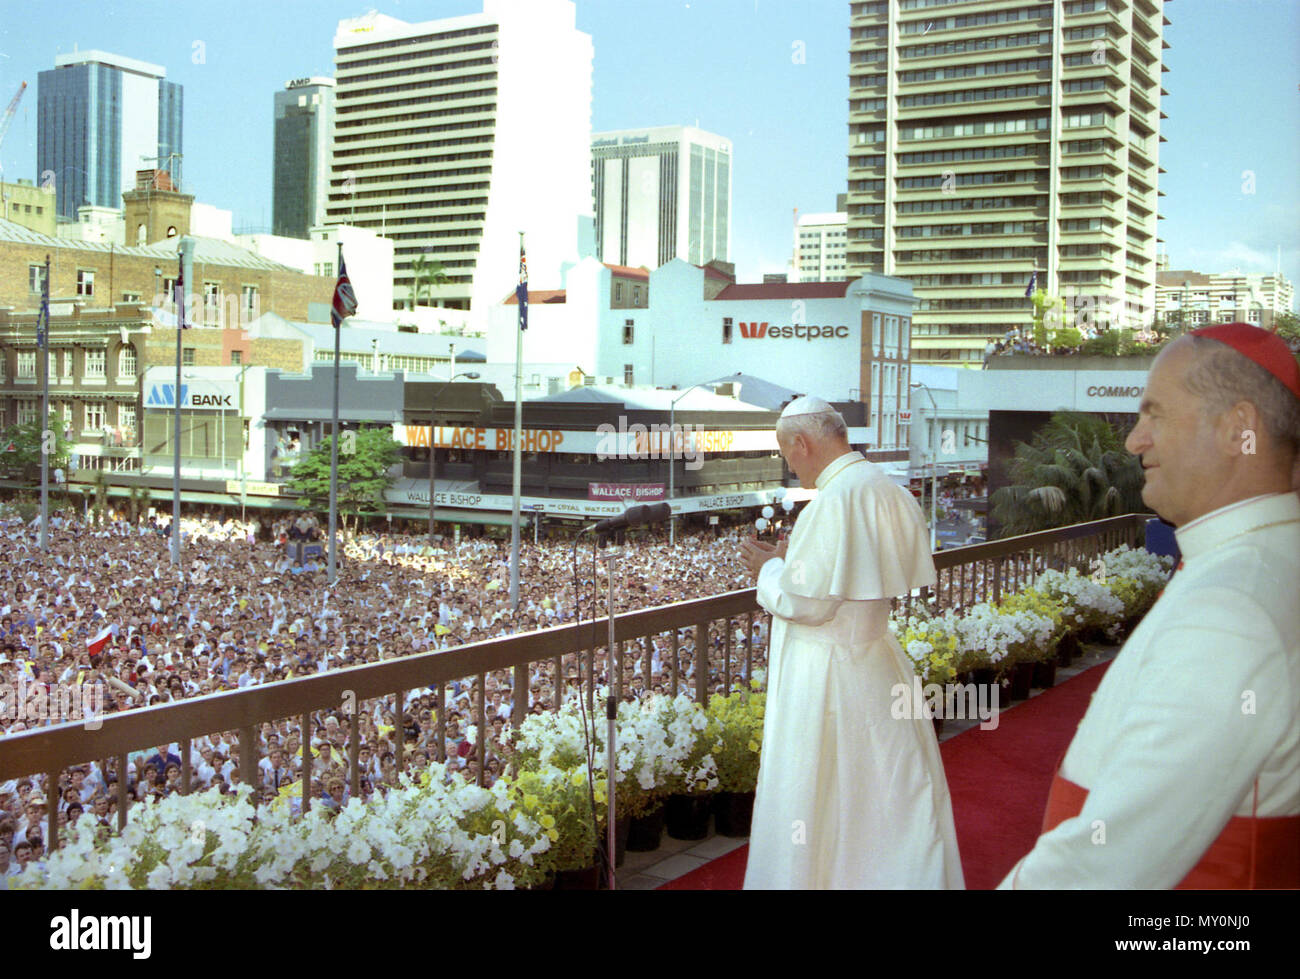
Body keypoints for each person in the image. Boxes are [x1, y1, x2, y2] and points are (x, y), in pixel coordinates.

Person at [1000, 322, 1300, 888]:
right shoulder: (1254, 566)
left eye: (1154, 413)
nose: (1135, 441)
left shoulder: (1231, 610)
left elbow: (1107, 861)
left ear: (1240, 429)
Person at [739, 395, 963, 889]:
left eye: (787, 453)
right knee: (886, 799)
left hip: (828, 677)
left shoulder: (836, 499)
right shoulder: (886, 487)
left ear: (802, 442)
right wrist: (792, 558)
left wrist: (770, 568)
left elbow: (811, 604)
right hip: (876, 664)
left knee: (823, 798)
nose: (789, 464)